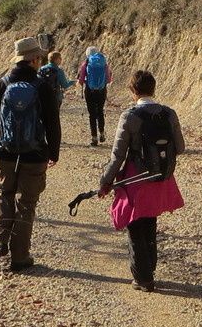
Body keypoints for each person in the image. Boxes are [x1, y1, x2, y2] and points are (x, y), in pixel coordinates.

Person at [0, 37, 61, 271]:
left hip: (5, 153)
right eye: (39, 57)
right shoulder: (43, 86)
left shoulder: (0, 84)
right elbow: (53, 122)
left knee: (4, 195)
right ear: (34, 59)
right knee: (26, 202)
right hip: (35, 155)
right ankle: (20, 256)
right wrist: (54, 152)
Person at [99, 69, 185, 291]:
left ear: (132, 91)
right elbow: (181, 147)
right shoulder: (169, 114)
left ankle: (143, 278)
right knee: (150, 221)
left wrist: (105, 182)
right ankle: (149, 269)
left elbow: (118, 156)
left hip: (136, 179)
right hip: (160, 177)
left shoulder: (129, 117)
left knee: (135, 225)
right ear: (153, 89)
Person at [77, 45, 111, 145]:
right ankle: (102, 133)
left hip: (89, 91)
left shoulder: (86, 63)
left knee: (92, 114)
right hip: (102, 91)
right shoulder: (104, 63)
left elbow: (81, 80)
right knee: (100, 112)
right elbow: (109, 79)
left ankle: (94, 137)